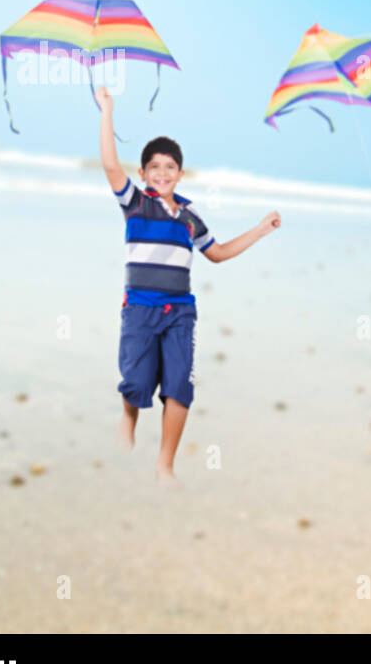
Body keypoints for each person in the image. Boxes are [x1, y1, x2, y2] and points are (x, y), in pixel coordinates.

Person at [96, 85, 281, 483]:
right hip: (140, 309)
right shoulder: (135, 203)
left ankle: (165, 462)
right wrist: (107, 110)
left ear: (180, 174)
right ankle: (128, 417)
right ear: (144, 173)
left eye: (170, 167)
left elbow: (216, 252)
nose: (162, 173)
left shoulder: (189, 215)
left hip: (180, 311)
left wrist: (260, 231)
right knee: (136, 380)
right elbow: (111, 165)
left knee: (179, 385)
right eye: (154, 167)